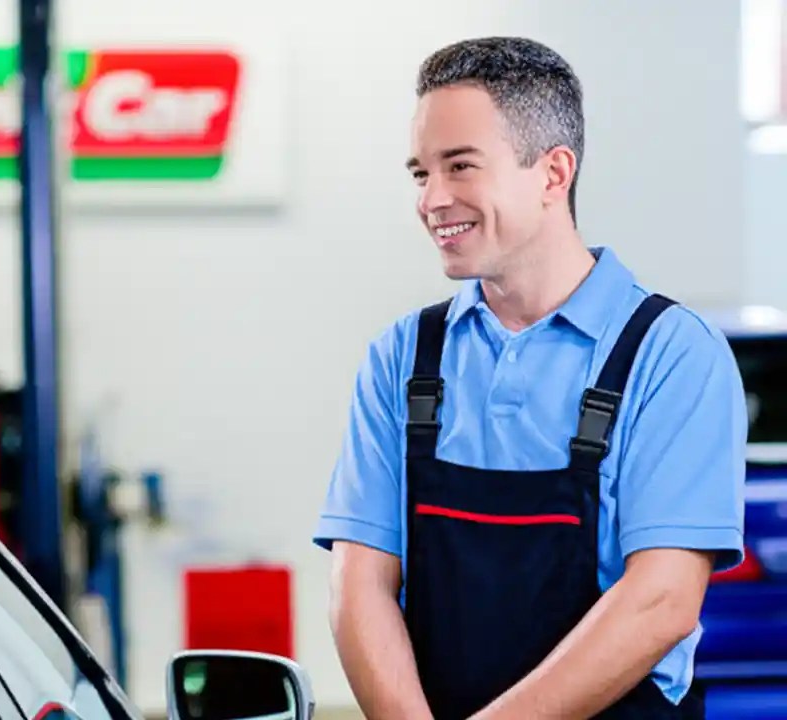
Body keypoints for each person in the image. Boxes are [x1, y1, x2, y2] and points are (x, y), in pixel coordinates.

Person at [312, 37, 745, 720]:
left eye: (460, 166)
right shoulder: (402, 357)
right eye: (421, 173)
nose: (432, 199)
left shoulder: (670, 355)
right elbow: (359, 582)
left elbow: (661, 601)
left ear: (553, 173)